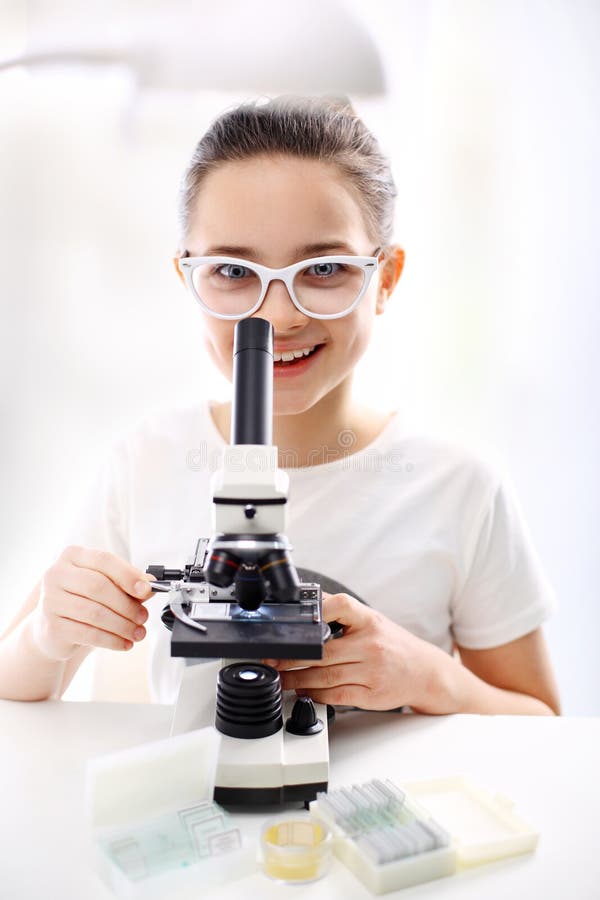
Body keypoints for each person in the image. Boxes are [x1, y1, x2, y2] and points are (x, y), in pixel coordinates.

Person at [0, 96, 560, 714]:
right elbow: (16, 688)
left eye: (322, 267)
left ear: (387, 280)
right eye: (234, 272)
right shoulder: (147, 459)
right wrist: (47, 635)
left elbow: (541, 725)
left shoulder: (461, 490)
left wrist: (428, 677)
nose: (278, 315)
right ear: (188, 276)